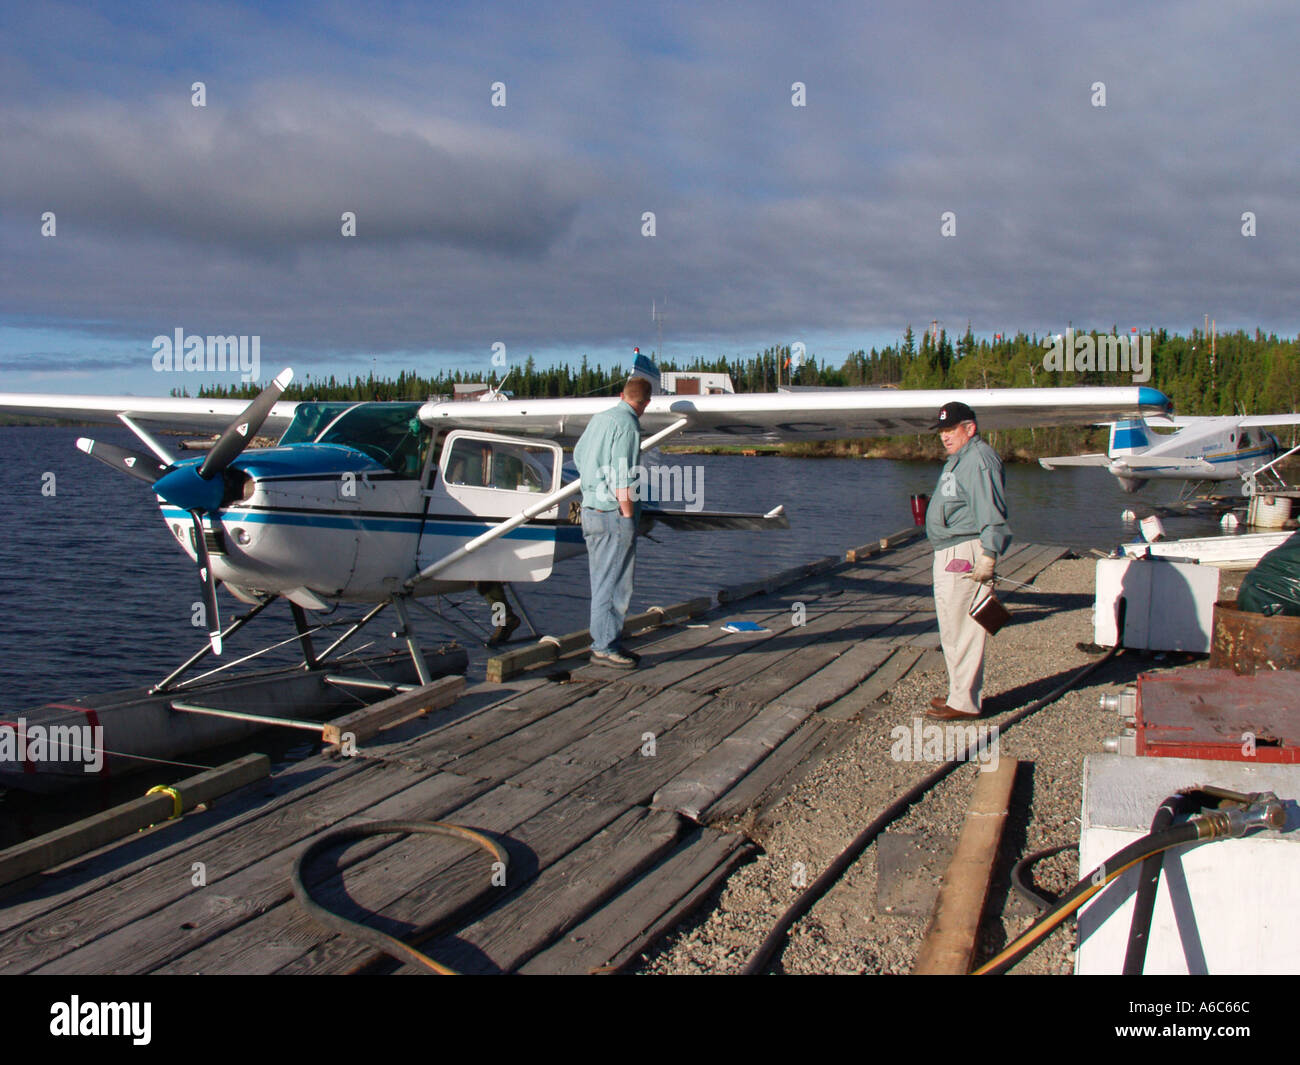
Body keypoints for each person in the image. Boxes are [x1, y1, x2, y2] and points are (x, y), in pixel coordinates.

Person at [924, 401, 1012, 719]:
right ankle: (958, 693)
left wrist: (989, 555)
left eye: (951, 429)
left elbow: (991, 509)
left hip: (965, 551)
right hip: (951, 548)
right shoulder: (960, 458)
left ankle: (965, 703)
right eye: (942, 431)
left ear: (970, 428)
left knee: (964, 624)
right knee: (952, 622)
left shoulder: (978, 459)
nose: (945, 436)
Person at [572, 376, 652, 668]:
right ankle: (605, 646)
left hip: (591, 509)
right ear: (646, 403)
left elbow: (579, 455)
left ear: (621, 395)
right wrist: (628, 517)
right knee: (616, 584)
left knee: (600, 581)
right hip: (613, 514)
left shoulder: (600, 418)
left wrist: (593, 484)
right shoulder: (629, 426)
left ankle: (604, 641)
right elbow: (623, 477)